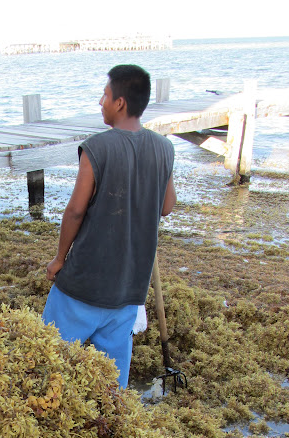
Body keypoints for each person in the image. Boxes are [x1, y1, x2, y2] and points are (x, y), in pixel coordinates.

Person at [42, 64, 176, 389]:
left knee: (46, 363)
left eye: (104, 95)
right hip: (129, 288)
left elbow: (75, 211)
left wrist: (59, 259)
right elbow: (167, 206)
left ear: (120, 103)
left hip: (84, 283)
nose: (100, 102)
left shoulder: (97, 147)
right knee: (112, 382)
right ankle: (111, 425)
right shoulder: (164, 148)